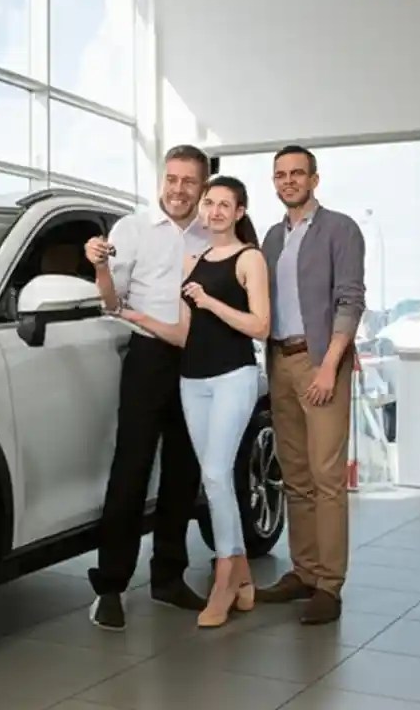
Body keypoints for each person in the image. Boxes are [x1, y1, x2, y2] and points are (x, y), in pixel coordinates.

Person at [117, 175, 270, 628]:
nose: (215, 211)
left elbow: (260, 325)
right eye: (210, 203)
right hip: (192, 380)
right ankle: (241, 574)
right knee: (213, 476)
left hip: (233, 377)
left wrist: (209, 302)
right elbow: (184, 333)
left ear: (240, 212)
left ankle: (225, 576)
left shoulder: (250, 258)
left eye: (225, 204)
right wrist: (135, 316)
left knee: (217, 475)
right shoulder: (192, 261)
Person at [83, 145, 213, 630]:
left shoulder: (211, 232)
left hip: (197, 357)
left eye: (189, 182)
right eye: (172, 179)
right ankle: (111, 586)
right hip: (148, 358)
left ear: (202, 188)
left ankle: (168, 578)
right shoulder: (132, 230)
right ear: (163, 180)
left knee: (183, 471)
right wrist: (97, 265)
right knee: (131, 469)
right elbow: (112, 300)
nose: (179, 190)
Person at [253, 145, 366, 625]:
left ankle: (329, 585)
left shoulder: (340, 229)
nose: (289, 181)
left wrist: (329, 365)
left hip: (321, 363)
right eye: (281, 174)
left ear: (314, 179)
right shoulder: (272, 239)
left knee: (325, 477)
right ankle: (303, 571)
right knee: (294, 476)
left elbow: (350, 300)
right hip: (279, 362)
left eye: (298, 173)